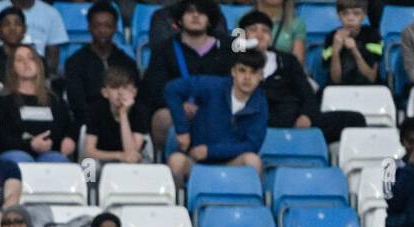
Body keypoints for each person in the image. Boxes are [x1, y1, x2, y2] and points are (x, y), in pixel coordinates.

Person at [139, 0, 234, 155]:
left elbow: (232, 85)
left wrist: (208, 106)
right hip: (176, 111)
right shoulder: (164, 49)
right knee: (162, 118)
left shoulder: (226, 48)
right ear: (180, 19)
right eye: (190, 12)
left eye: (201, 12)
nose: (195, 16)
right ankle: (162, 161)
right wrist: (178, 106)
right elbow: (154, 88)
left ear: (210, 19)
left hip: (216, 111)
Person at [164, 50, 268, 190]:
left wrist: (210, 151)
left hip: (232, 164)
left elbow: (252, 145)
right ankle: (180, 203)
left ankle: (249, 203)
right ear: (233, 71)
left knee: (253, 161)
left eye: (253, 72)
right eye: (242, 70)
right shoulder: (213, 86)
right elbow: (172, 89)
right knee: (176, 162)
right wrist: (182, 129)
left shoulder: (260, 104)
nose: (247, 77)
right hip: (197, 163)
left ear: (261, 76)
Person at [0, 45, 76, 163]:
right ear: (12, 68)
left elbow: (69, 126)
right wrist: (30, 144)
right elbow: (0, 137)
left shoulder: (54, 99)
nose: (26, 63)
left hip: (50, 152)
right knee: (21, 158)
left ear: (38, 64)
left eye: (31, 58)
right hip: (14, 153)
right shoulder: (2, 100)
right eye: (20, 60)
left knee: (56, 159)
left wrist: (69, 138)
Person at [65, 2, 139, 130]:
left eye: (108, 26)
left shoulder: (127, 63)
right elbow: (77, 103)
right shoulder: (75, 62)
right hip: (89, 124)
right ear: (89, 27)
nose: (102, 30)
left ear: (115, 28)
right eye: (97, 25)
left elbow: (136, 96)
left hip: (124, 120)